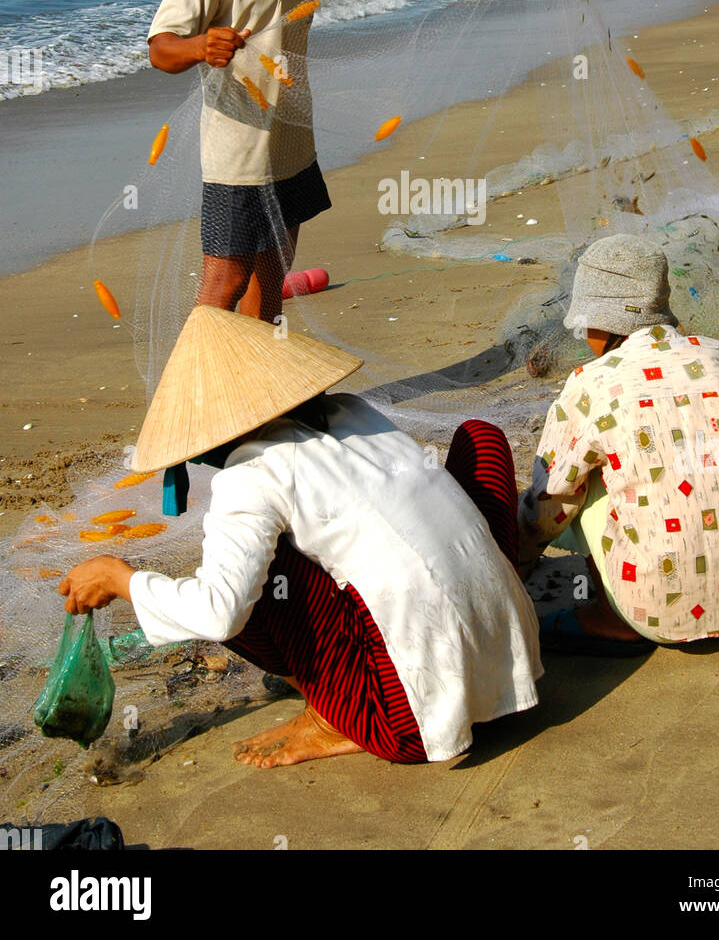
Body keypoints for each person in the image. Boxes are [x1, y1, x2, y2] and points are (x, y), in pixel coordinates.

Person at [58, 306, 542, 767]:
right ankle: (490, 617)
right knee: (479, 437)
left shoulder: (248, 475)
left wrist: (121, 579)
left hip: (407, 721)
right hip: (513, 659)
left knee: (253, 579)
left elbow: (218, 612)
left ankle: (336, 716)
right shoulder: (355, 413)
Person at [148, 0, 559, 322]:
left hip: (292, 138)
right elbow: (161, 48)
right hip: (239, 148)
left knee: (272, 280)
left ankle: (268, 399)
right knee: (224, 283)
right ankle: (193, 399)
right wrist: (199, 47)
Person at [518, 234, 719, 652]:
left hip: (650, 610)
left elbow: (549, 504)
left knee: (577, 478)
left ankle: (610, 620)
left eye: (586, 325)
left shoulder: (590, 384)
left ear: (604, 321)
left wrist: (519, 563)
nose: (584, 336)